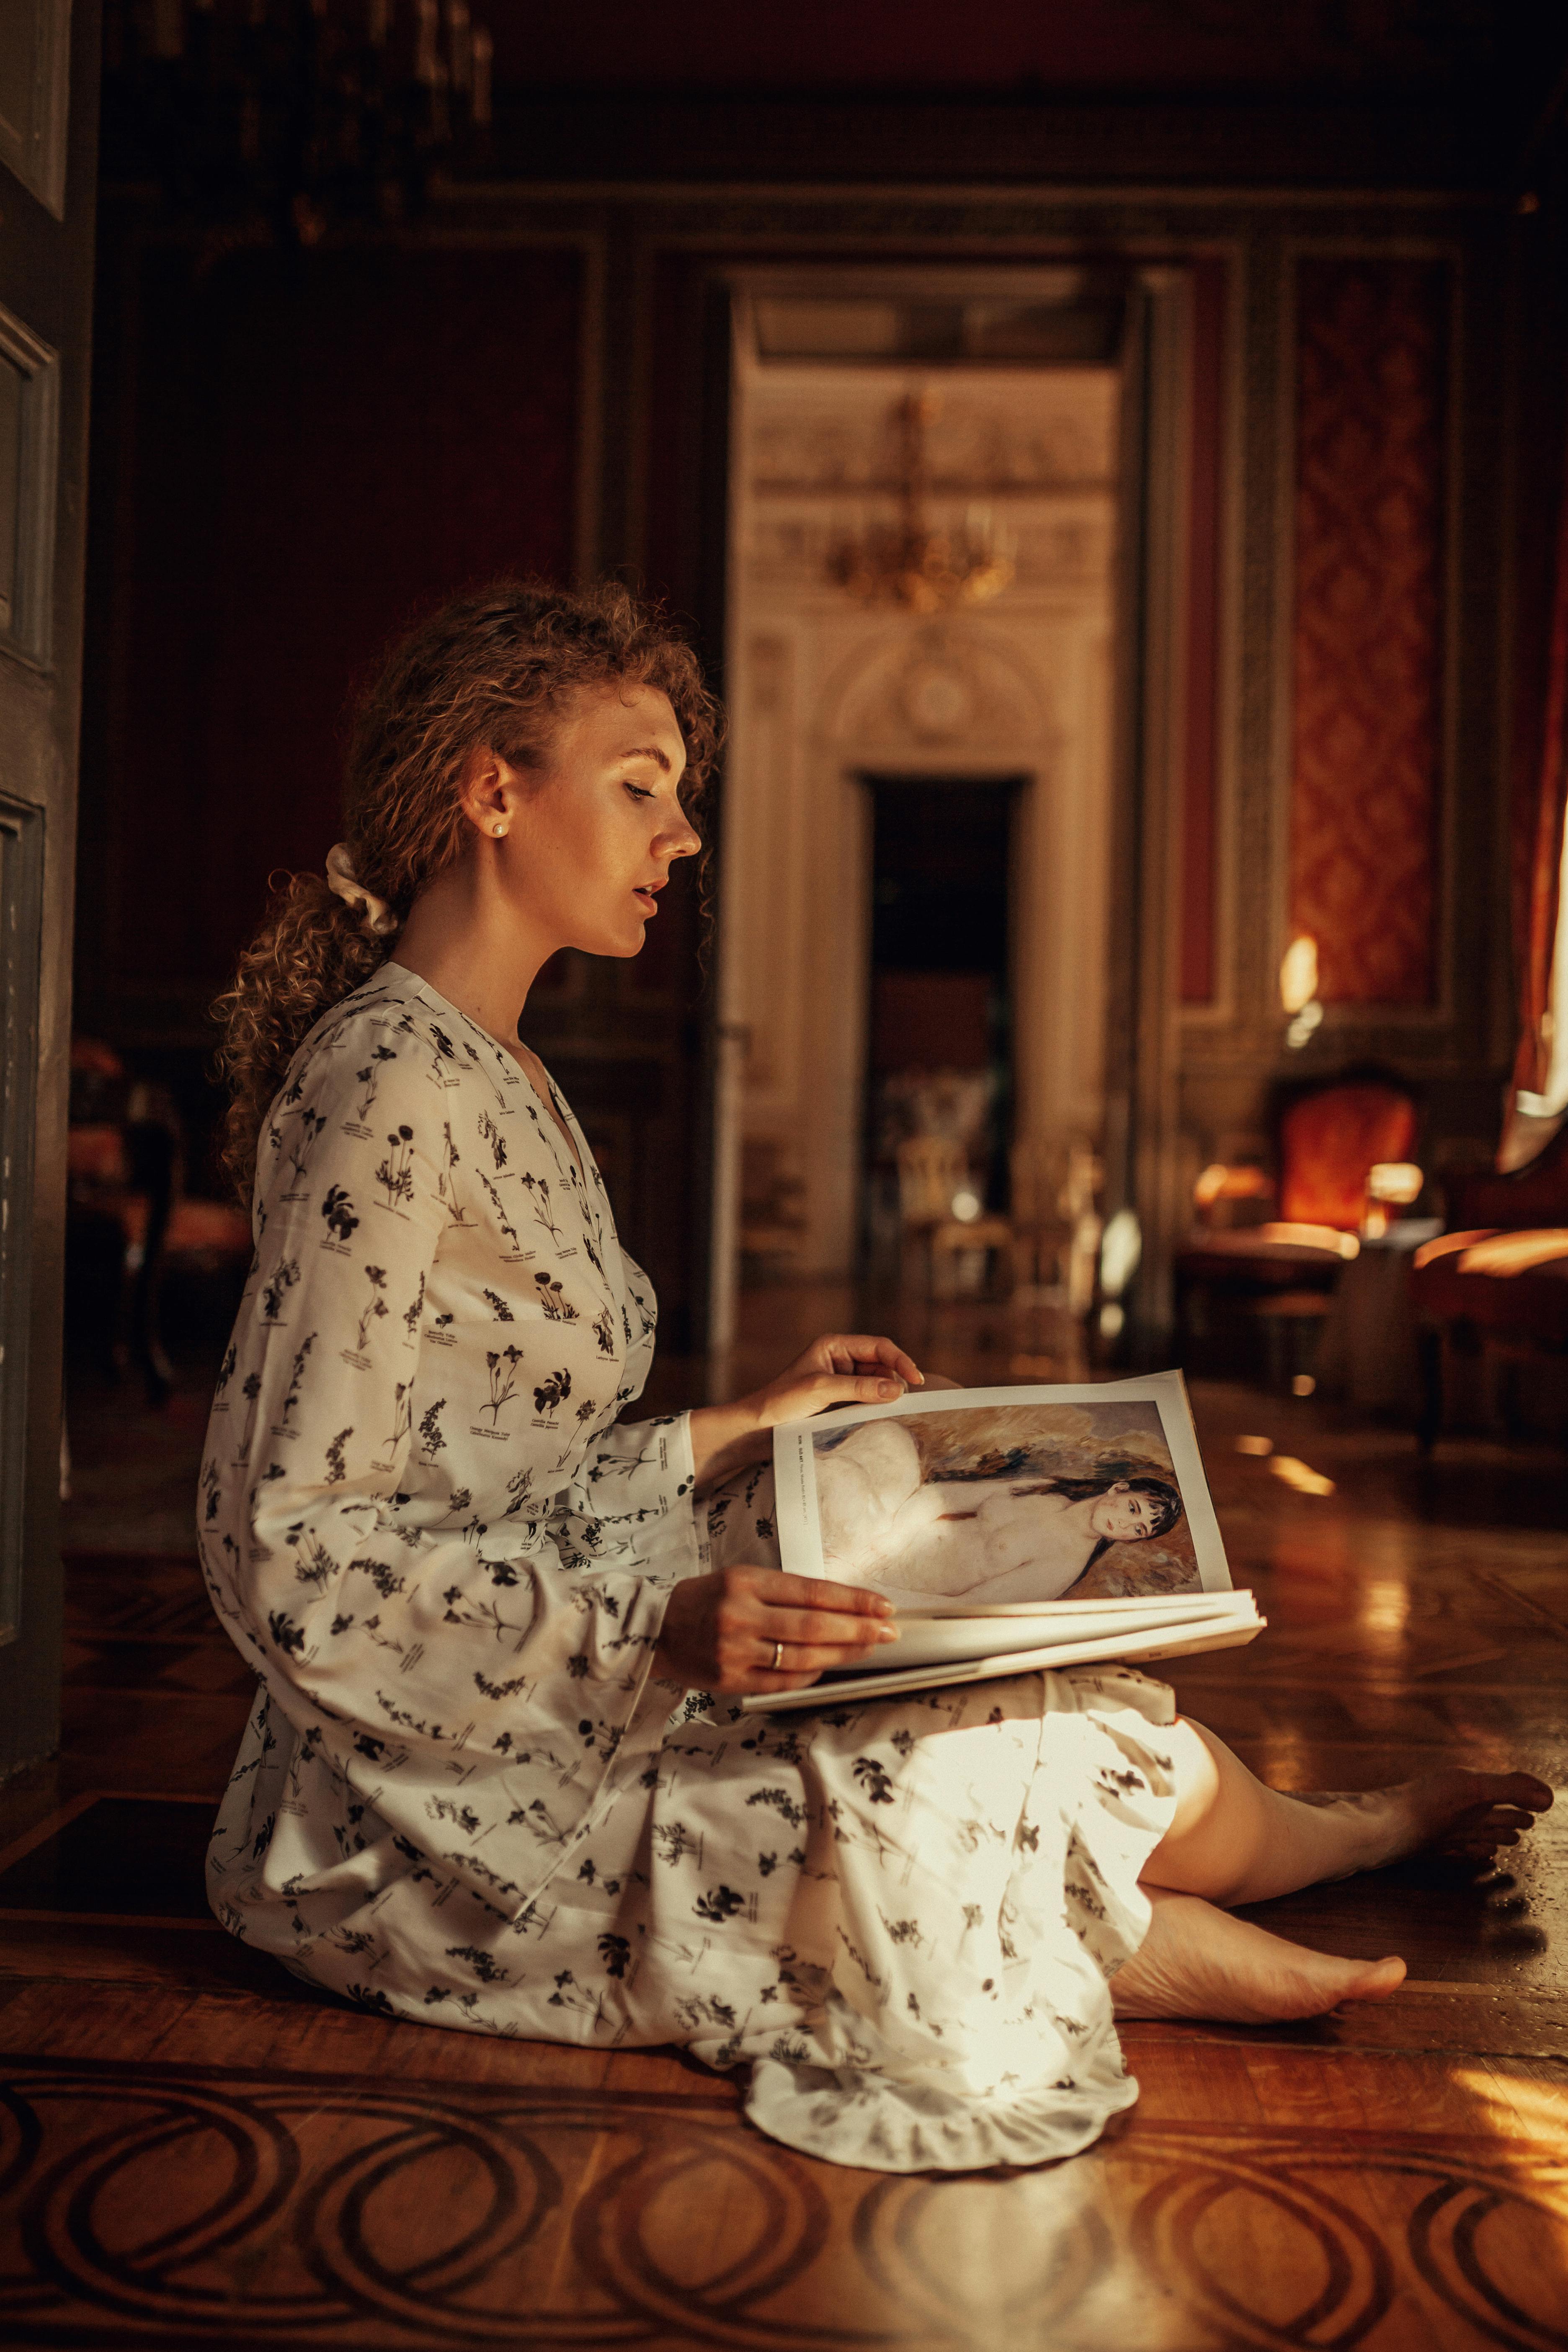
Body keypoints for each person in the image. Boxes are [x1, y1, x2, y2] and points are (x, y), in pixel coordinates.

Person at [199, 580, 1552, 2177]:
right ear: (492, 791)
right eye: (640, 785)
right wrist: (658, 1624)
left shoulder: (501, 1072)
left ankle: (1323, 1836)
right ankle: (1149, 1931)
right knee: (942, 1745)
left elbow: (499, 1456)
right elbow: (285, 1550)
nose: (682, 832)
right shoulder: (381, 1082)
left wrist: (745, 1423)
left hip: (548, 1655)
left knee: (1016, 1682)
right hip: (413, 1787)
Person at [814, 1416, 1184, 1602]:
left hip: (892, 1581)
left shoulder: (1062, 1566)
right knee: (889, 1436)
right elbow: (943, 1495)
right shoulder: (1048, 1492)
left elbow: (964, 1611)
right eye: (1133, 1509)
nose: (1123, 1523)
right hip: (893, 1537)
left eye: (1138, 1530)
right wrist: (891, 1539)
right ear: (1119, 1489)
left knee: (841, 1476)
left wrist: (865, 1582)